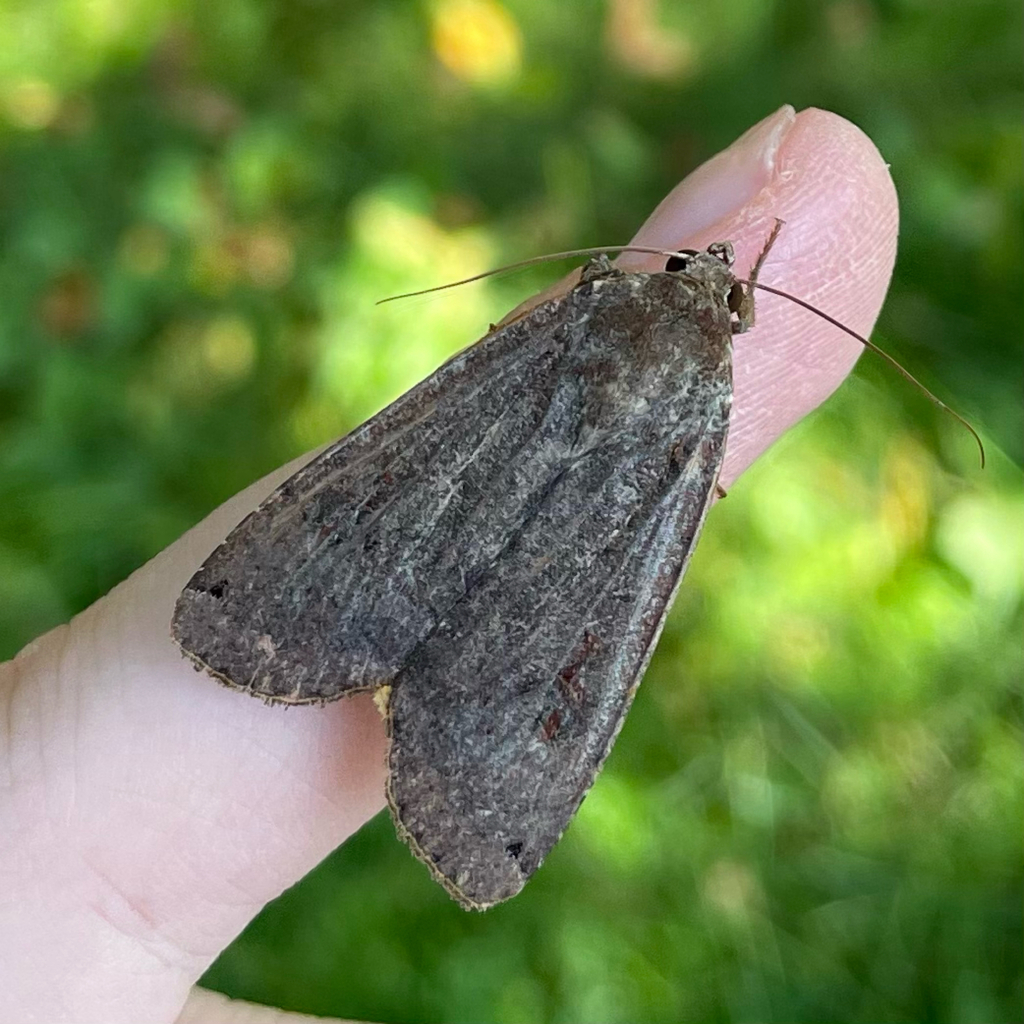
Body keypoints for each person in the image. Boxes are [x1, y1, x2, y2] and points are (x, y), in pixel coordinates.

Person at [0, 106, 898, 1024]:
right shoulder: (705, 407)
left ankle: (293, 633)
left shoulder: (600, 304)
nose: (706, 278)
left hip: (432, 486)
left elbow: (597, 281)